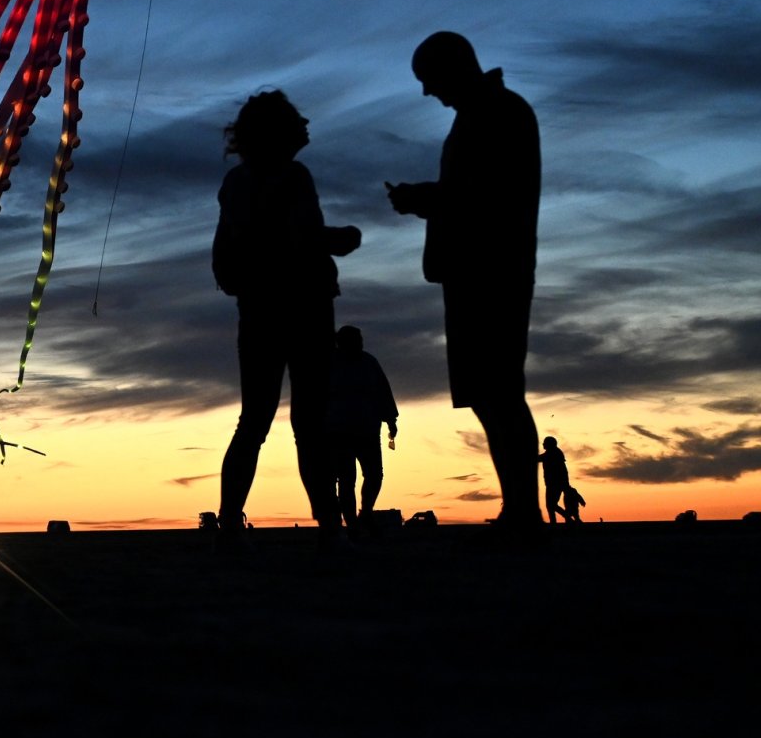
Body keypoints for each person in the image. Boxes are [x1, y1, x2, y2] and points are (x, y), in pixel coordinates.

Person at [388, 32, 542, 537]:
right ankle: (518, 506)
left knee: (499, 391)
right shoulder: (483, 114)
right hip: (475, 271)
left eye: (429, 80)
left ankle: (523, 509)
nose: (428, 93)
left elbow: (486, 196)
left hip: (493, 270)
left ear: (454, 68)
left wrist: (423, 199)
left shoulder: (499, 113)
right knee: (488, 393)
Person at [211, 90, 361, 548]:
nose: (306, 127)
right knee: (310, 422)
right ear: (281, 132)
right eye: (297, 121)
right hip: (305, 306)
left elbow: (225, 251)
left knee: (254, 419)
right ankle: (328, 520)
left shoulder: (235, 182)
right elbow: (303, 236)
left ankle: (231, 517)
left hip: (257, 308)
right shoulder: (294, 176)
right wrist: (345, 238)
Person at [326, 325, 400, 530]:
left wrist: (391, 420)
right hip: (339, 432)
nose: (359, 343)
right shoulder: (330, 364)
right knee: (346, 479)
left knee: (375, 474)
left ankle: (366, 512)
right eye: (354, 339)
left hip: (367, 430)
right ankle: (351, 522)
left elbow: (383, 390)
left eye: (359, 339)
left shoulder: (369, 362)